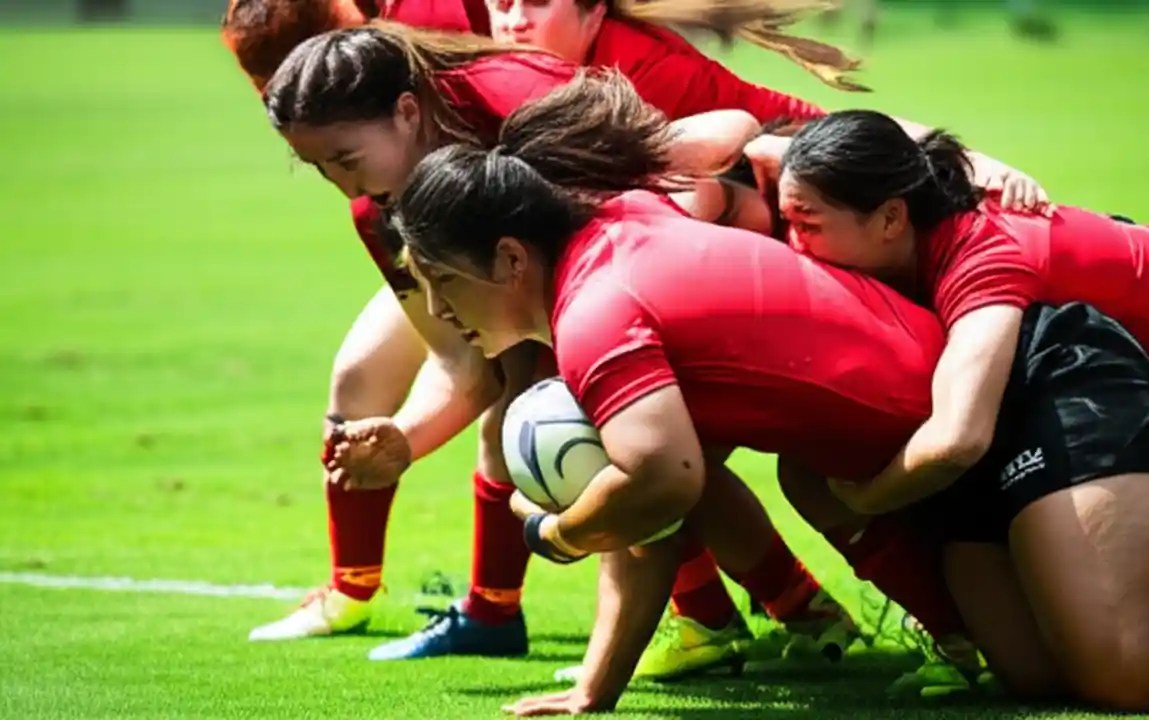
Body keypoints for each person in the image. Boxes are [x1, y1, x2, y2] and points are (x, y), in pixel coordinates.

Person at [341, 71, 1055, 714]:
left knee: (1088, 674)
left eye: (442, 281)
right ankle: (953, 636)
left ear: (508, 257)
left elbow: (661, 483)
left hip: (993, 447)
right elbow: (649, 518)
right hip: (968, 418)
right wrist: (595, 691)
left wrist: (555, 533)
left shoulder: (596, 311)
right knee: (812, 477)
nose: (435, 311)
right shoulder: (616, 226)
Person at [230, 12, 863, 670]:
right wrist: (405, 441)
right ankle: (781, 614)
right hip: (615, 289)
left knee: (602, 435)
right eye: (318, 168)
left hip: (765, 231)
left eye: (345, 158)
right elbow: (461, 362)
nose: (344, 185)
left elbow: (710, 147)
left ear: (408, 112)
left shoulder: (514, 101)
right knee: (562, 426)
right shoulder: (380, 210)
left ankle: (785, 613)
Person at [746, 109, 1149, 707]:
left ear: (892, 217)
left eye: (806, 223)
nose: (792, 242)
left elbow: (957, 439)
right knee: (1046, 667)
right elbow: (718, 131)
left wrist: (863, 500)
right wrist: (761, 144)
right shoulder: (885, 234)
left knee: (1120, 662)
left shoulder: (983, 255)